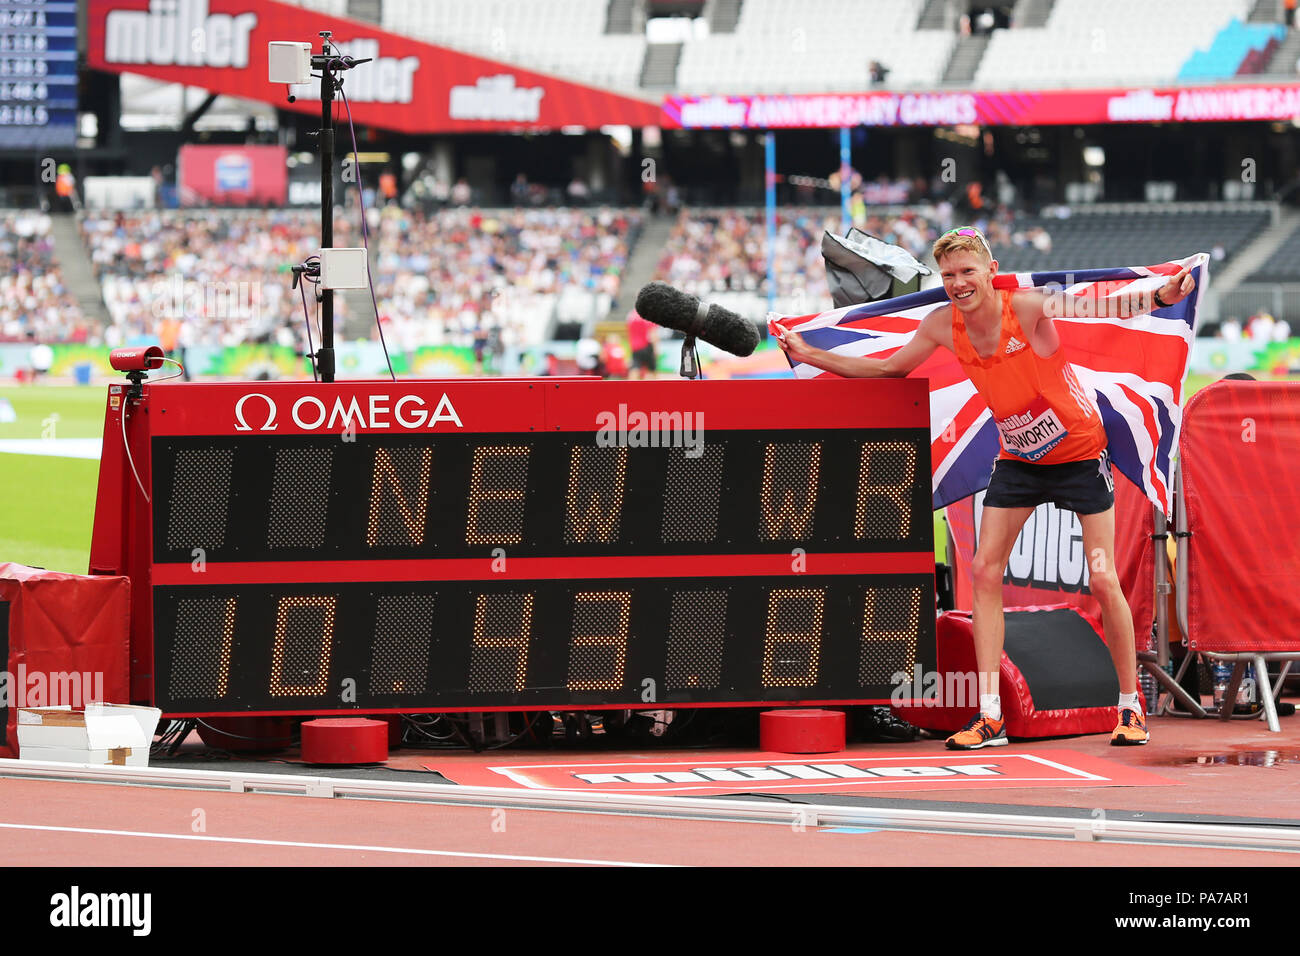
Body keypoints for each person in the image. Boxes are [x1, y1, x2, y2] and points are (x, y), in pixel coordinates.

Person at [773, 226, 1196, 749]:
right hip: (1019, 459)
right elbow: (888, 369)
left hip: (1081, 455)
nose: (957, 283)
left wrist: (1159, 296)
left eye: (967, 272)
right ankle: (990, 713)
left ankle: (1130, 708)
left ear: (990, 272)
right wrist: (810, 355)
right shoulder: (940, 324)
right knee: (983, 570)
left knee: (1103, 576)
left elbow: (1100, 306)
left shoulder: (1027, 304)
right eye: (948, 275)